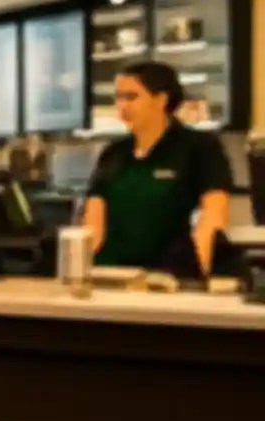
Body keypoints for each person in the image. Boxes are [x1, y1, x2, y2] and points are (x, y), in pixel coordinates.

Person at [83, 62, 231, 274]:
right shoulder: (113, 153)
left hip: (170, 273)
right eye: (118, 97)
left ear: (161, 99)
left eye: (132, 97)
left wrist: (199, 271)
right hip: (112, 273)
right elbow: (94, 221)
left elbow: (214, 214)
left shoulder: (199, 147)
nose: (122, 106)